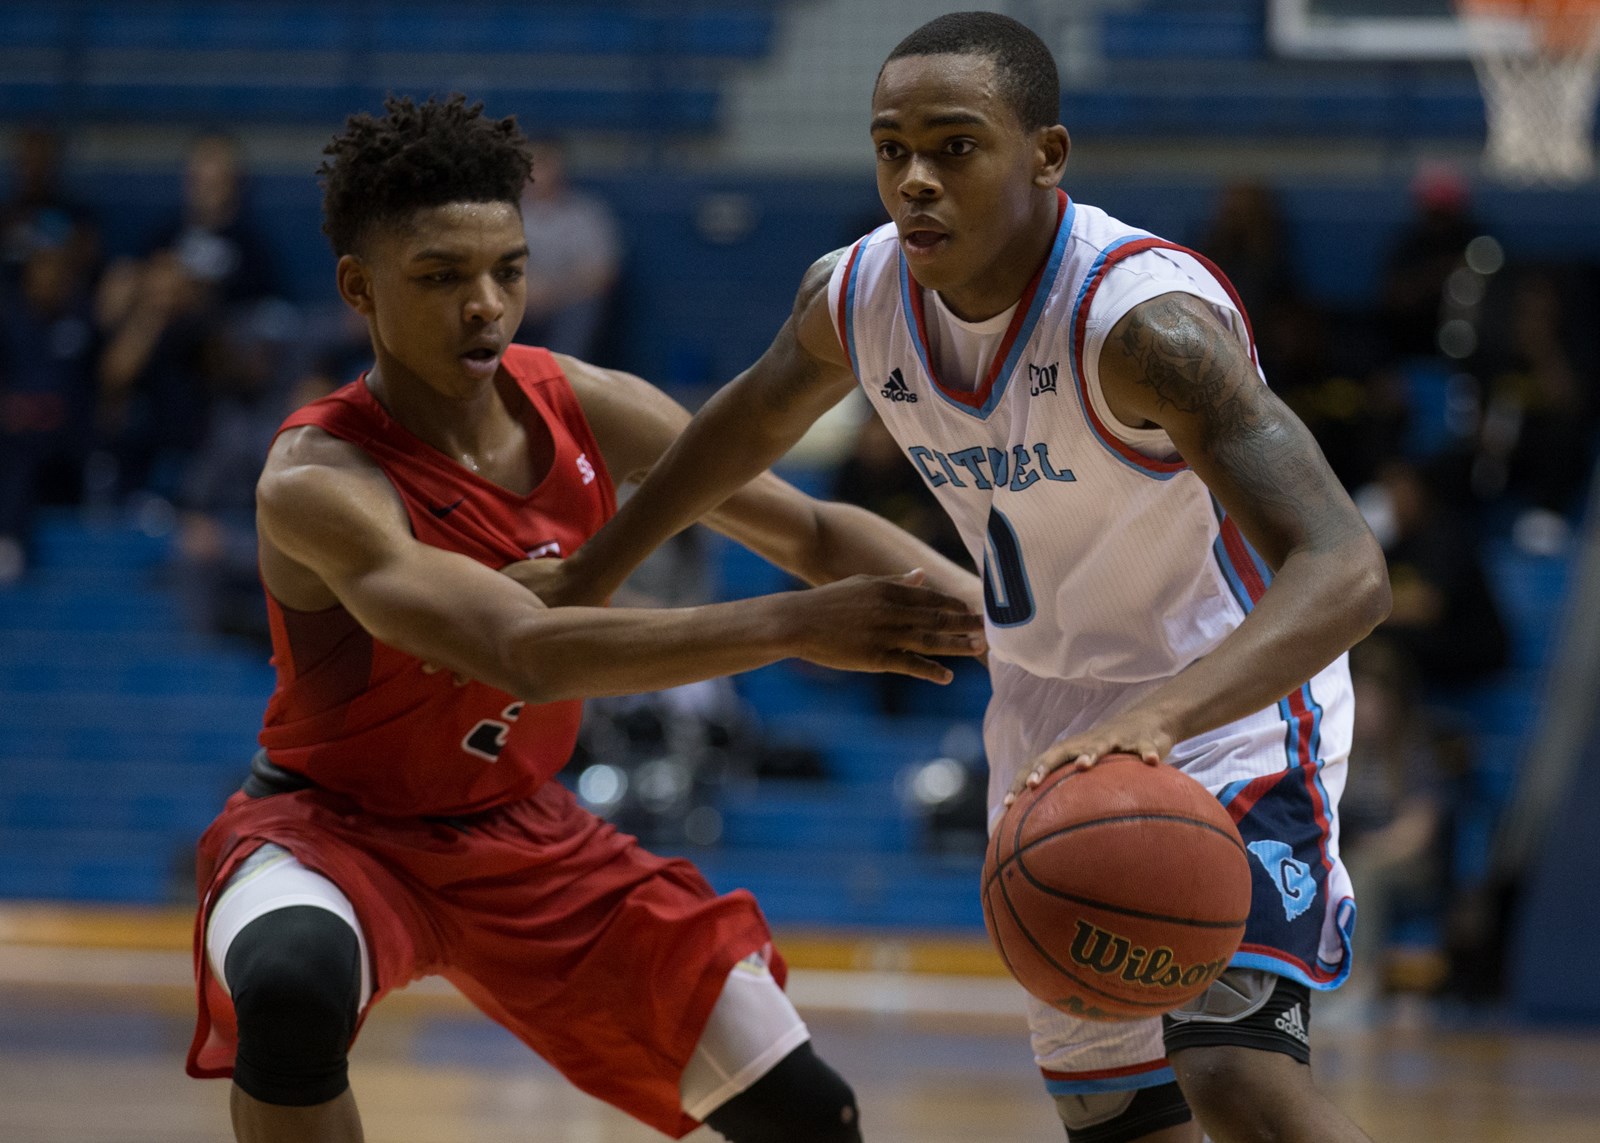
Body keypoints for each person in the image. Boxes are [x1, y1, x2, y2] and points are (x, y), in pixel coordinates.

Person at [549, 13, 1390, 1143]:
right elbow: (737, 427)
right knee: (1112, 1115)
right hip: (1044, 714)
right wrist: (593, 570)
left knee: (1233, 1075)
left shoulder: (1142, 325)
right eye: (891, 148)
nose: (915, 180)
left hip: (1226, 703)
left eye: (954, 146)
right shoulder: (856, 298)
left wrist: (1163, 716)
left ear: (1046, 155)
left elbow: (1346, 568)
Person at [184, 94, 985, 1143]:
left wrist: (1014, 631)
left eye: (507, 271)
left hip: (524, 831)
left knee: (811, 1117)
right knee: (290, 986)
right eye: (440, 278)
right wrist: (792, 626)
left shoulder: (583, 402)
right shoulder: (318, 476)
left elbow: (817, 535)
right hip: (334, 831)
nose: (486, 306)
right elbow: (526, 652)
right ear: (359, 289)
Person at [515, 138, 623, 359]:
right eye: (532, 164)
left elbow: (602, 273)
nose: (538, 172)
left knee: (583, 309)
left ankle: (563, 379)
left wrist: (554, 293)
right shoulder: (506, 213)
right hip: (517, 296)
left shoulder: (585, 213)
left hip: (565, 301)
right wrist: (523, 289)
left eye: (545, 164)